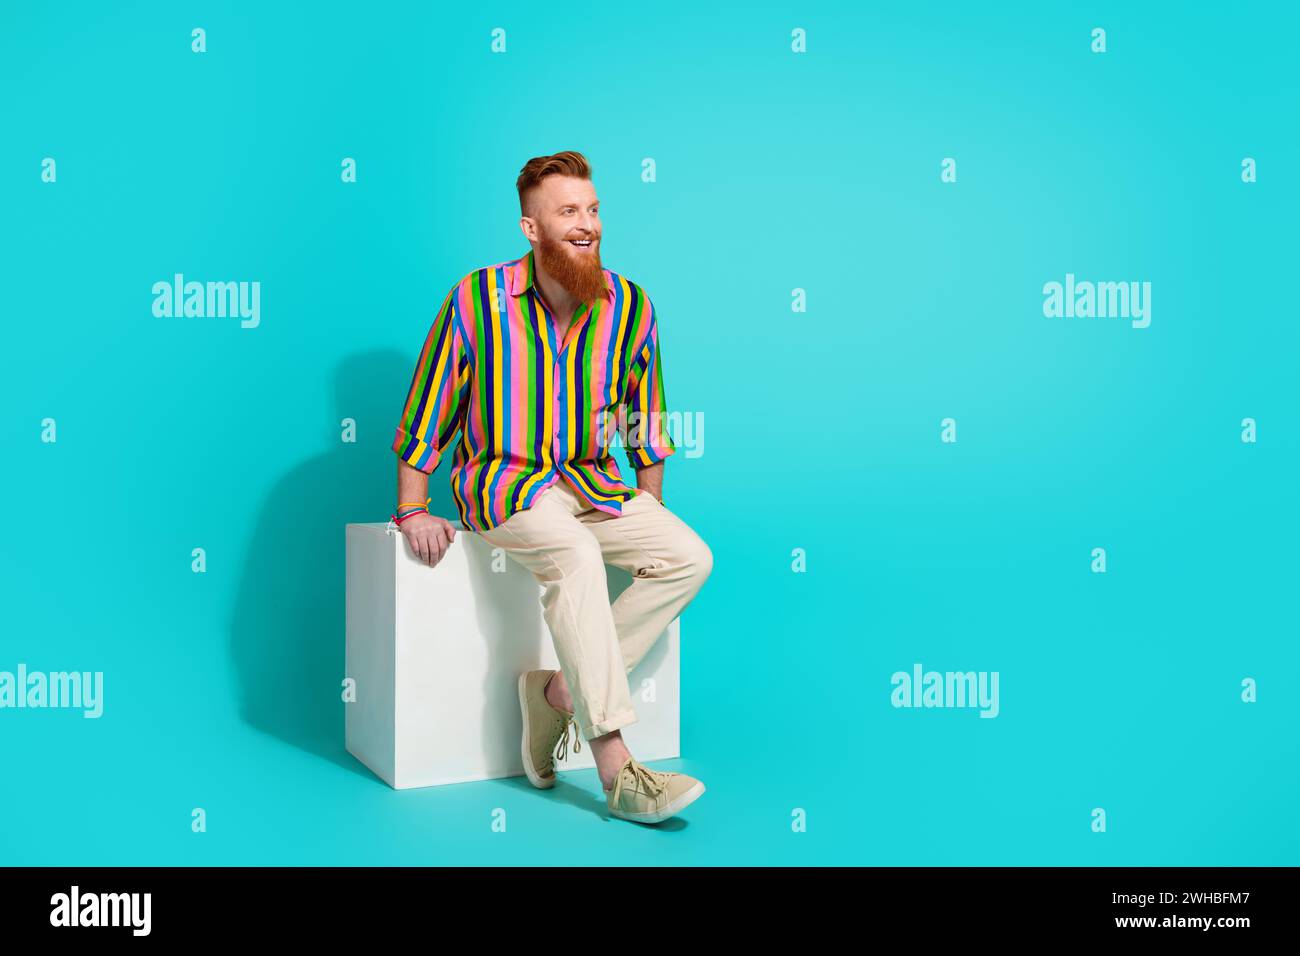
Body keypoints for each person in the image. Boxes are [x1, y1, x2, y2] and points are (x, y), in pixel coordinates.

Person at [390, 150, 713, 824]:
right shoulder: (478, 298)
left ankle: (561, 691)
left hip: (594, 483)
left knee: (689, 557)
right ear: (530, 229)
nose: (587, 223)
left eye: (592, 210)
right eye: (568, 211)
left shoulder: (629, 304)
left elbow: (643, 416)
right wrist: (413, 505)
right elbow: (430, 405)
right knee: (572, 554)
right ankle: (617, 770)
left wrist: (648, 504)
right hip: (506, 485)